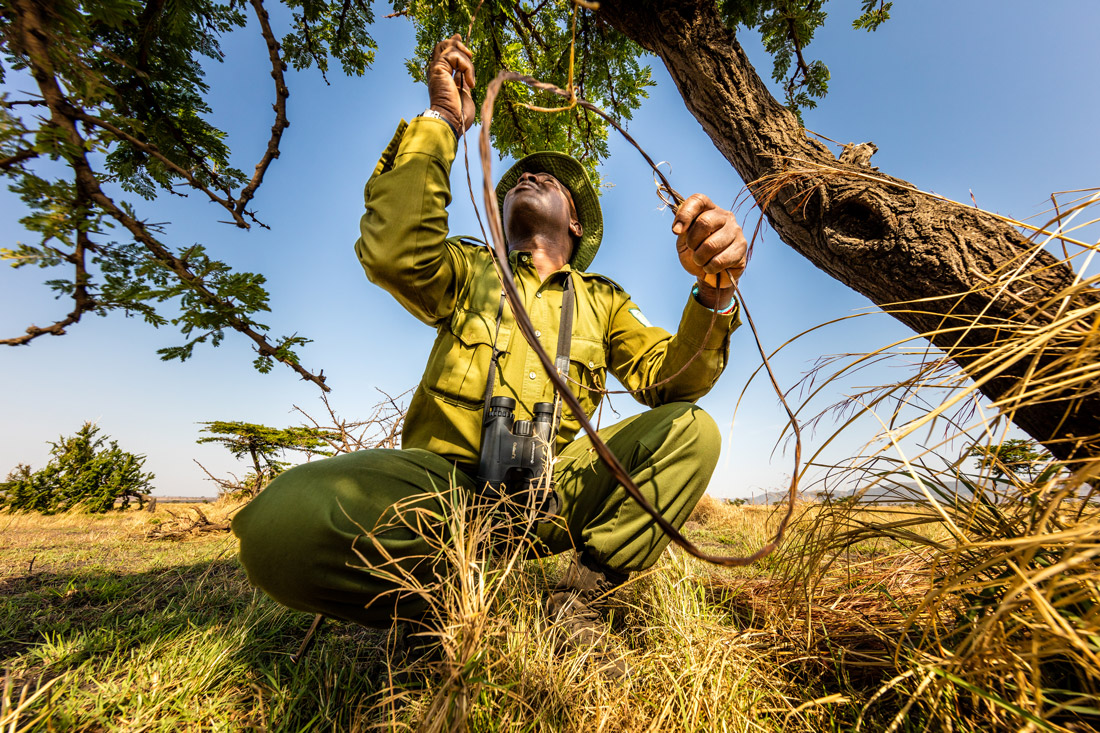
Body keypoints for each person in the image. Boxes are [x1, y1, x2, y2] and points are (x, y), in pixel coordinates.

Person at [232, 35, 749, 655]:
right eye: (517, 178)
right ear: (498, 213)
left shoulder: (603, 299)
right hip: (443, 494)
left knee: (693, 430)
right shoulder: (465, 271)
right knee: (279, 525)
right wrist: (444, 119)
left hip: (555, 497)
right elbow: (393, 250)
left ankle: (578, 597)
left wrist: (716, 288)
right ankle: (438, 599)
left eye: (548, 178)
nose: (528, 174)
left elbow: (674, 381)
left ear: (576, 223)